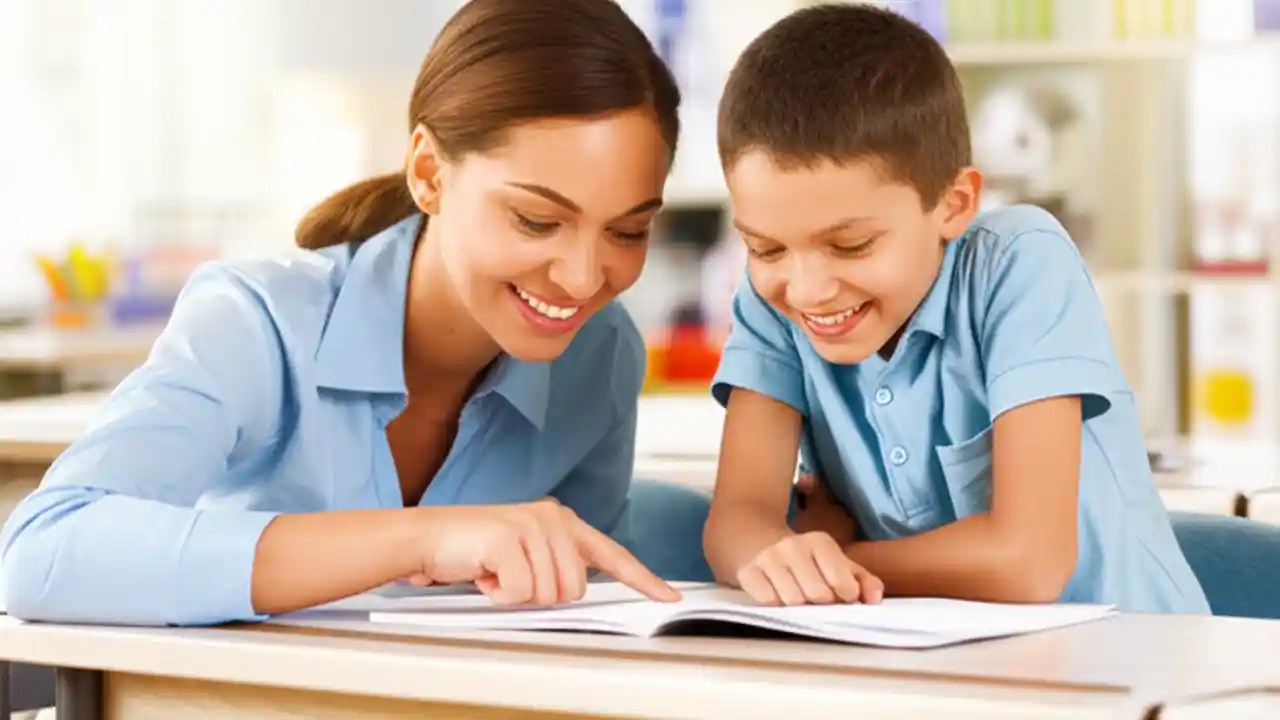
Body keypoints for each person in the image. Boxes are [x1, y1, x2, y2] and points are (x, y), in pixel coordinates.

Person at [1, 0, 701, 626]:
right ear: (428, 173)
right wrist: (422, 538)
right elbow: (45, 551)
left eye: (627, 231)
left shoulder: (601, 352)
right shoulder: (258, 322)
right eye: (535, 219)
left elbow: (589, 598)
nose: (584, 278)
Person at [701, 4, 1209, 614]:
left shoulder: (1019, 262)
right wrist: (776, 552)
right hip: (941, 669)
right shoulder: (772, 303)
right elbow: (737, 524)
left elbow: (1028, 564)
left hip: (1134, 670)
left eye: (851, 245)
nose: (807, 288)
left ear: (954, 202)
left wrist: (836, 558)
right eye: (765, 247)